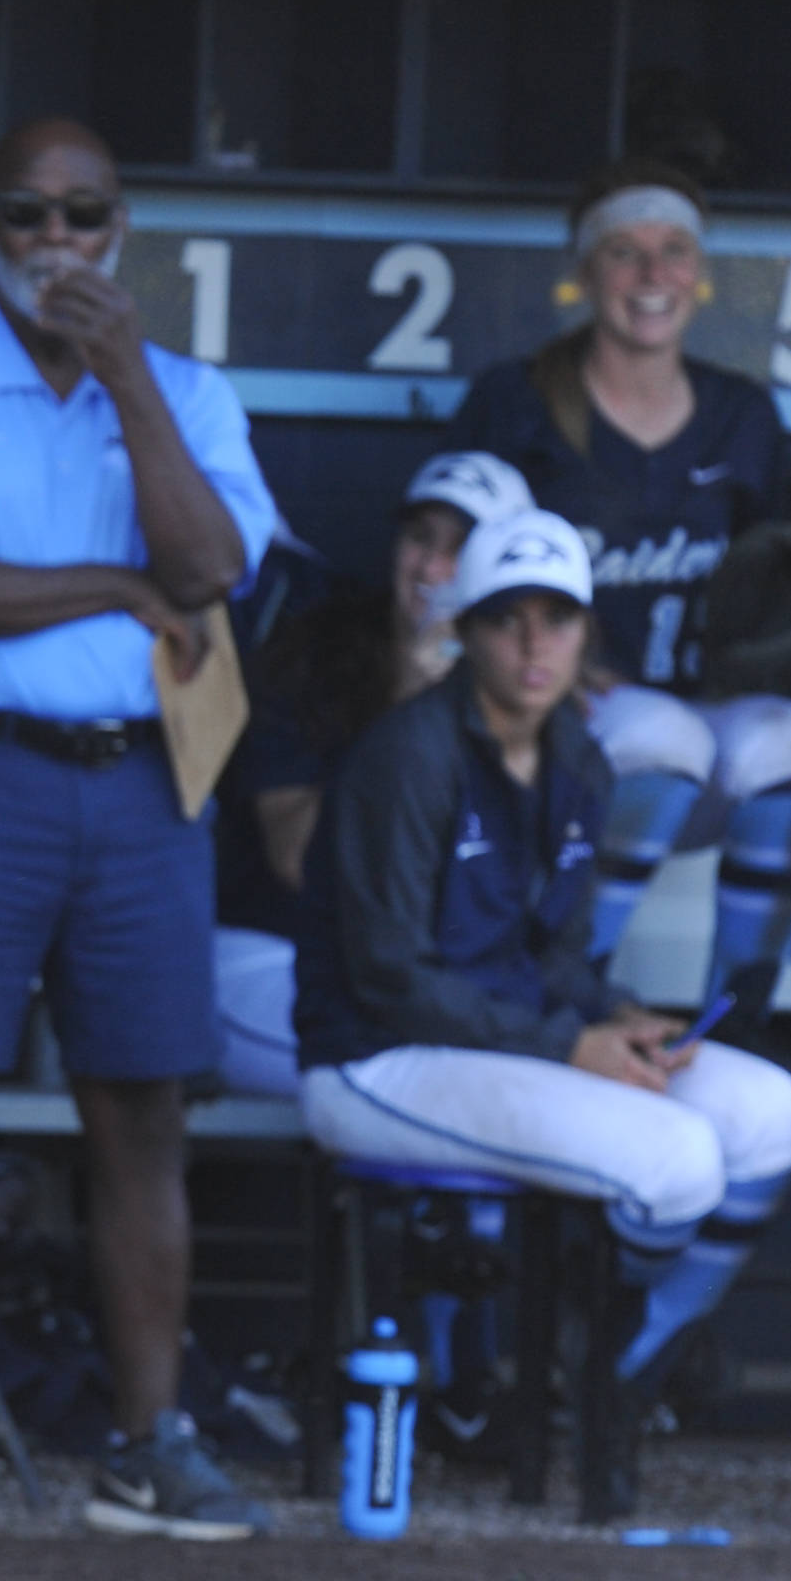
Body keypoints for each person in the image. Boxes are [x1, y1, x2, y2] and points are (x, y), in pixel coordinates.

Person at [0, 118, 280, 1542]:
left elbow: (210, 569)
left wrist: (131, 377)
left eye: (84, 215)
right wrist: (110, 583)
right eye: (25, 215)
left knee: (144, 1115)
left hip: (143, 783)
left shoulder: (187, 389)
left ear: (121, 225)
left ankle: (152, 1442)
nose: (55, 244)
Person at [291, 509, 791, 1492]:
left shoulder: (574, 757)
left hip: (500, 1040)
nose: (534, 645)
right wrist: (565, 1045)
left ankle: (617, 1358)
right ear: (467, 630)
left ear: (585, 633)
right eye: (506, 619)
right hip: (371, 1057)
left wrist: (615, 1016)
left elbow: (552, 954)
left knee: (770, 1112)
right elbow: (390, 979)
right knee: (673, 1159)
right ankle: (588, 1361)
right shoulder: (408, 755)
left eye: (558, 619)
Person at [443, 164, 791, 1002]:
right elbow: (455, 567)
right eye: (625, 254)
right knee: (666, 740)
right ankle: (567, 986)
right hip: (568, 711)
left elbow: (779, 581)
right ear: (585, 274)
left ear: (698, 274)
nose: (653, 277)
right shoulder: (517, 403)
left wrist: (761, 654)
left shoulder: (741, 413)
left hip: (702, 701)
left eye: (673, 253)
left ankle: (736, 1010)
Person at [212, 449, 529, 1097]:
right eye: (420, 539)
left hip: (426, 978)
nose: (433, 568)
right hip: (275, 954)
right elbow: (299, 861)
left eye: (461, 547)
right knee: (442, 1065)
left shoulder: (531, 691)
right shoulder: (313, 651)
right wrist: (404, 711)